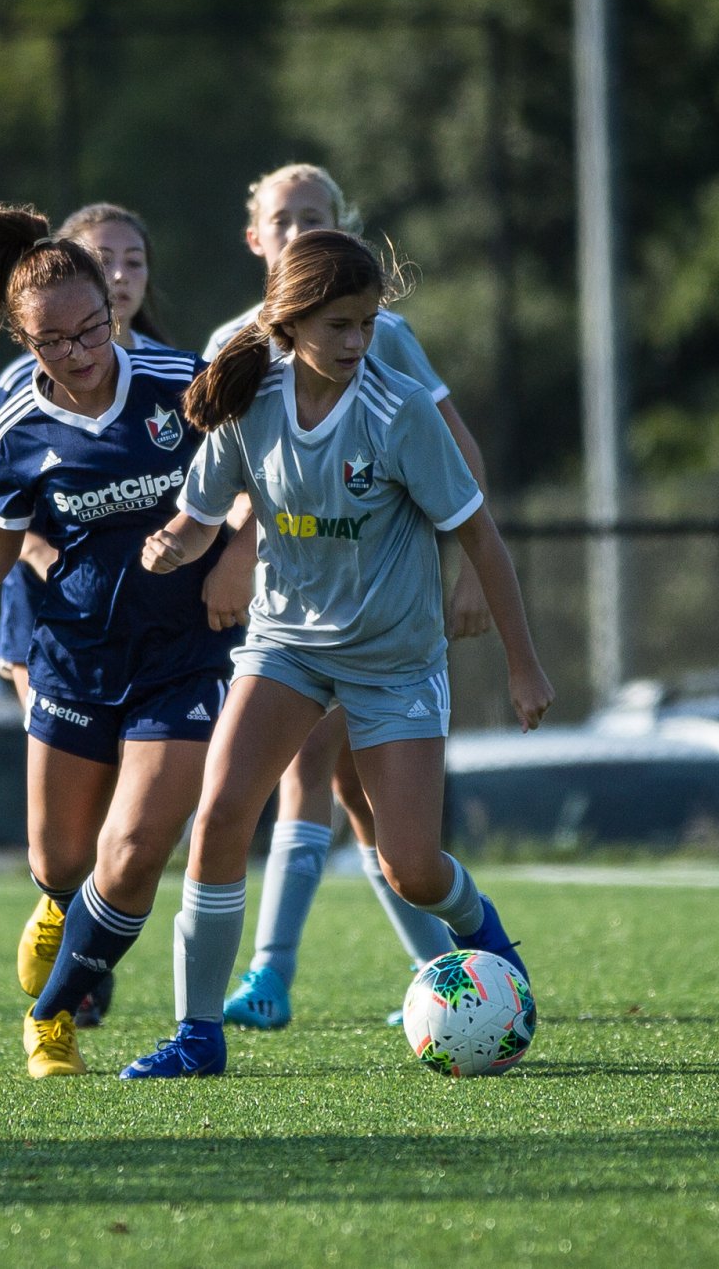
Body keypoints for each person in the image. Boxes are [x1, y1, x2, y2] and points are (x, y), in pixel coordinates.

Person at [118, 228, 554, 1078]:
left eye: (366, 323)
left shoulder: (398, 415)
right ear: (289, 323)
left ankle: (489, 941)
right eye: (339, 327)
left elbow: (484, 540)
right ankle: (198, 1035)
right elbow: (203, 511)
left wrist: (523, 662)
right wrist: (174, 542)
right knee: (217, 819)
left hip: (394, 661)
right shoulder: (250, 402)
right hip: (287, 645)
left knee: (413, 867)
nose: (358, 343)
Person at [0, 202, 254, 1078]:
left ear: (114, 313)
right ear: (23, 339)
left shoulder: (178, 382)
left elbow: (262, 471)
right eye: (55, 342)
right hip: (73, 659)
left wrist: (237, 552)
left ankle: (52, 1018)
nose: (81, 353)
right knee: (60, 860)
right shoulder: (12, 415)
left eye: (94, 329)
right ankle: (56, 910)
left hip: (183, 654)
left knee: (132, 854)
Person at [205, 163, 495, 1032]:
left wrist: (472, 568)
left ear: (345, 227)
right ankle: (443, 975)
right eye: (282, 220)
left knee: (345, 795)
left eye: (316, 217)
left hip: (370, 606)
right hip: (289, 604)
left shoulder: (379, 335)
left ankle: (274, 971)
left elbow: (449, 453)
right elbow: (251, 472)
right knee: (349, 800)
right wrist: (227, 549)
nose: (299, 232)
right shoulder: (236, 342)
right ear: (255, 238)